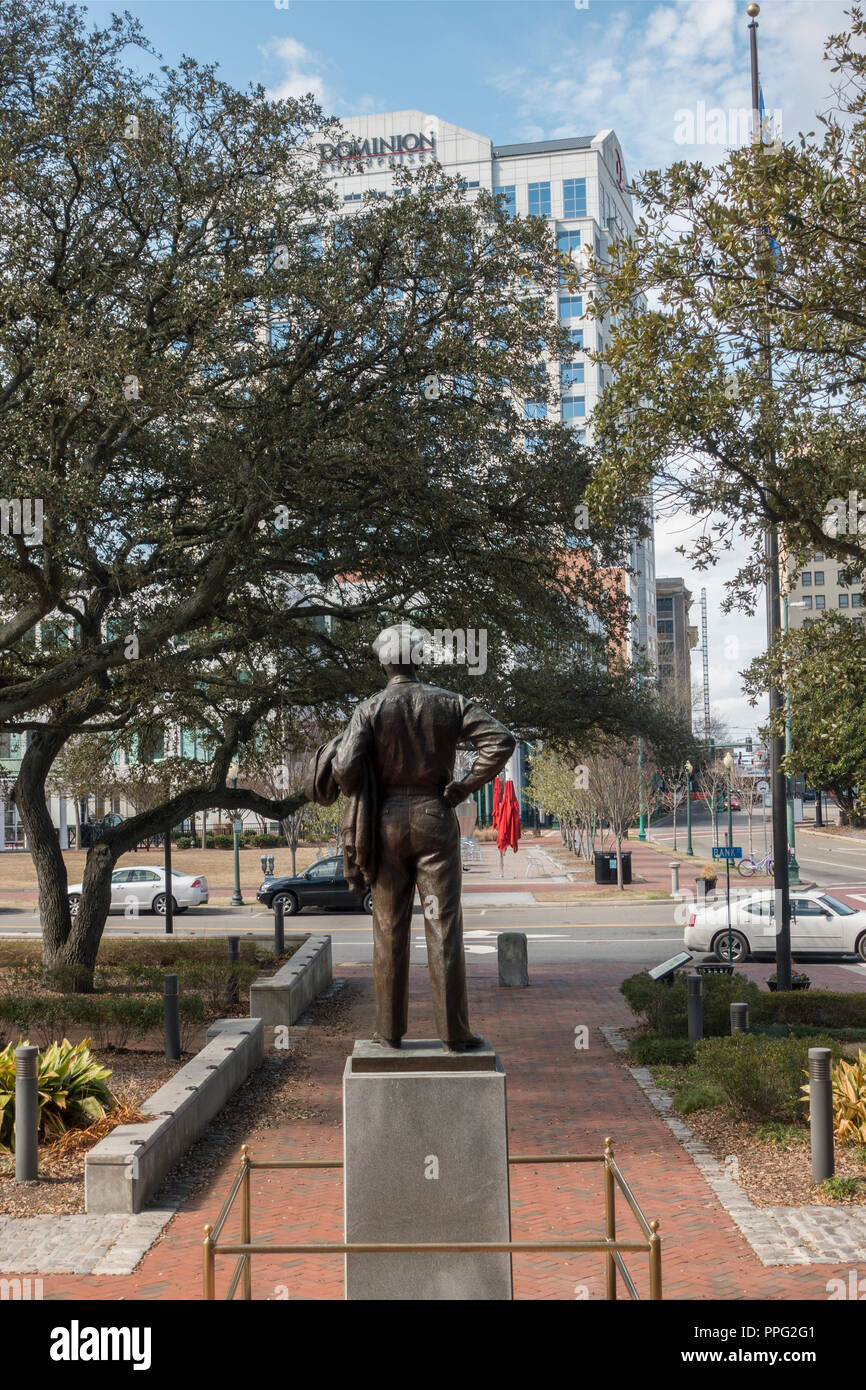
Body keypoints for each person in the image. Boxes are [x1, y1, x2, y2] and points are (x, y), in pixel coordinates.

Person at [331, 622, 515, 1051]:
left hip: (385, 823)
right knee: (443, 926)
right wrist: (465, 785)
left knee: (388, 928)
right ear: (417, 659)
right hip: (435, 817)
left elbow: (343, 771)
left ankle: (388, 1032)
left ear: (384, 662)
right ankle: (454, 1033)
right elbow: (500, 740)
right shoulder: (449, 703)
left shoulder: (370, 709)